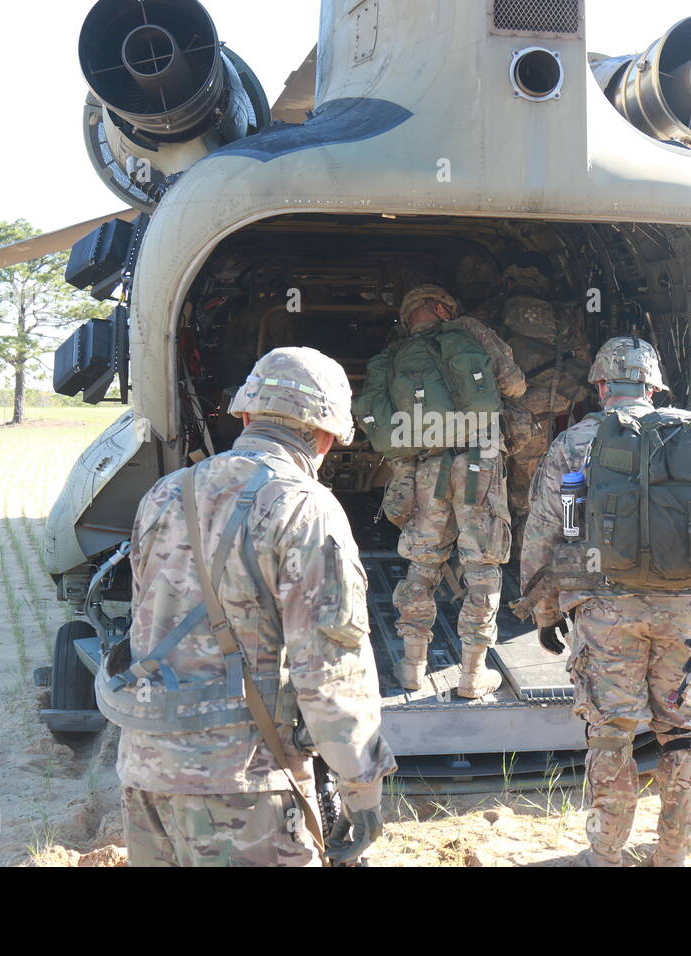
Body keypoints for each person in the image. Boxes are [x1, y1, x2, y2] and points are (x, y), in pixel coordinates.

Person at [111, 347, 397, 866]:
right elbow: (331, 672)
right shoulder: (305, 508)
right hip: (243, 788)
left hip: (145, 772)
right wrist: (363, 786)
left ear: (244, 415)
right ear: (326, 434)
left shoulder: (163, 493)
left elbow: (144, 627)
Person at [520, 336, 691, 866]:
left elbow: (554, 531)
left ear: (600, 385)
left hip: (604, 609)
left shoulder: (576, 444)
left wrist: (548, 610)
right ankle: (672, 855)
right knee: (683, 733)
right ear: (654, 385)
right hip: (690, 610)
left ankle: (606, 855)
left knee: (611, 736)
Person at [367, 284, 527, 697]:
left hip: (428, 463)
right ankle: (473, 675)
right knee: (482, 566)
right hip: (480, 460)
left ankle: (410, 667)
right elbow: (515, 387)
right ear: (441, 309)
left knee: (422, 565)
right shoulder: (468, 333)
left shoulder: (396, 356)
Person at [475, 255, 592, 548]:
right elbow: (583, 362)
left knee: (493, 488)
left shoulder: (491, 315)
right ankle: (529, 554)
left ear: (509, 283)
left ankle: (496, 551)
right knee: (535, 490)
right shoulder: (562, 318)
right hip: (549, 416)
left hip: (503, 415)